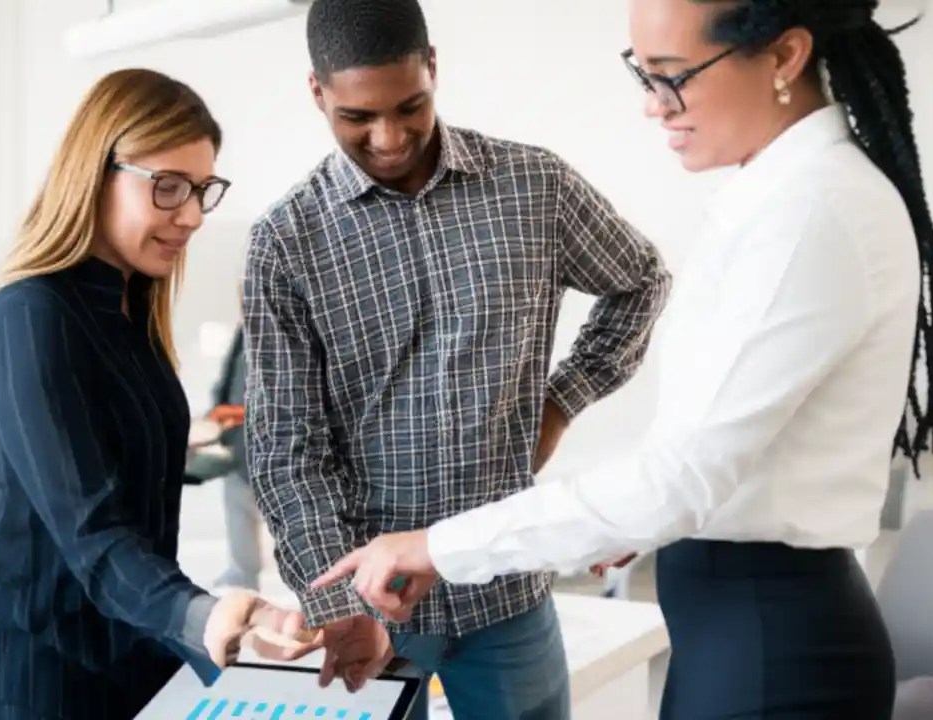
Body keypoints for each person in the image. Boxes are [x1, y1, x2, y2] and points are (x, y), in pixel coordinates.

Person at [317, 1, 933, 718]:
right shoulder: (780, 197)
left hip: (769, 649)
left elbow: (679, 480)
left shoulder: (809, 213)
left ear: (783, 57)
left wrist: (436, 546)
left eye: (673, 76)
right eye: (642, 75)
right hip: (739, 629)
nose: (654, 107)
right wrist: (632, 519)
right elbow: (700, 454)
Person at [243, 0, 671, 717]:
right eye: (357, 118)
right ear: (317, 93)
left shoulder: (534, 186)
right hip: (371, 610)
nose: (388, 136)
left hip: (507, 593)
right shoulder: (287, 242)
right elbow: (288, 452)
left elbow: (640, 282)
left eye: (410, 105)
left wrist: (560, 404)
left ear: (433, 67)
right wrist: (343, 601)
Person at [0, 68, 320, 720]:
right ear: (96, 171)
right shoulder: (28, 318)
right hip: (28, 670)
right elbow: (93, 530)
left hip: (119, 645)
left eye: (202, 190)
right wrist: (206, 613)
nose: (192, 215)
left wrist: (228, 620)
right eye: (167, 187)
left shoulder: (130, 315)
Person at [207, 323, 267, 591]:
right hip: (240, 439)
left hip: (275, 443)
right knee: (237, 502)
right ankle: (244, 573)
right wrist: (217, 419)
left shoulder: (287, 320)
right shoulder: (244, 331)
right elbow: (226, 378)